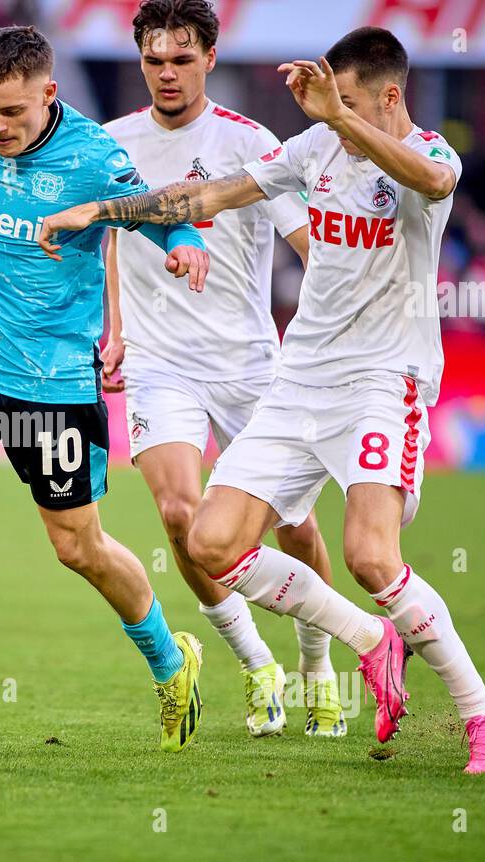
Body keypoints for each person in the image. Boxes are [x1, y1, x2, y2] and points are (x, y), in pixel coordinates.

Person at [39, 27, 485, 773]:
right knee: (209, 543)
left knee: (369, 555)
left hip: (383, 382)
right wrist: (101, 213)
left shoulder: (428, 155)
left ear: (390, 98)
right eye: (335, 102)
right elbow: (205, 195)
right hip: (298, 381)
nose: (336, 114)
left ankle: (483, 719)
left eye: (351, 101)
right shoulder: (311, 152)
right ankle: (371, 640)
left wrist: (340, 117)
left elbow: (434, 183)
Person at [0, 26, 213, 753]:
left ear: (49, 93)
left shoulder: (92, 156)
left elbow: (151, 211)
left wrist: (184, 245)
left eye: (13, 114)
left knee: (77, 547)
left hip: (53, 384)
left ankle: (171, 661)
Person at [103, 0, 344, 737]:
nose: (166, 73)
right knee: (181, 515)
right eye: (153, 59)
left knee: (295, 527)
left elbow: (315, 246)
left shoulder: (252, 142)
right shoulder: (112, 144)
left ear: (210, 57)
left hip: (249, 365)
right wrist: (112, 329)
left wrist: (333, 334)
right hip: (157, 362)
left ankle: (316, 666)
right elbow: (111, 239)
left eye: (181, 59)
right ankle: (254, 666)